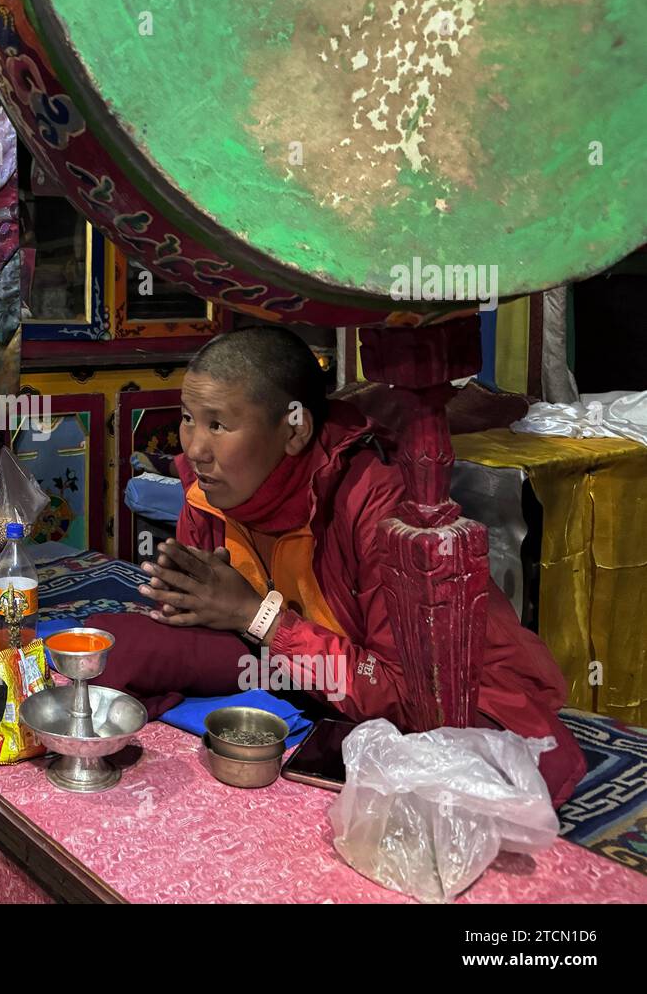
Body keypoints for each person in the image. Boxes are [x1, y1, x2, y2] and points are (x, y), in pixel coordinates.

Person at [94, 326, 585, 806]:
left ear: (294, 430)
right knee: (114, 649)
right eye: (187, 418)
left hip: (424, 689)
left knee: (461, 766)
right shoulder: (210, 494)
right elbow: (209, 619)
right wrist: (186, 603)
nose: (194, 448)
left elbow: (403, 692)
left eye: (217, 425)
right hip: (288, 662)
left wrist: (256, 616)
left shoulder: (374, 507)